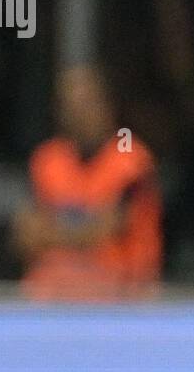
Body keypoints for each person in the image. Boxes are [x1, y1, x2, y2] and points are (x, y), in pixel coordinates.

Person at [12, 65, 162, 301]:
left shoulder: (130, 157)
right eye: (70, 106)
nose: (78, 114)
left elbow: (107, 228)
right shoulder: (47, 158)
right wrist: (85, 229)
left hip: (122, 298)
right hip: (52, 298)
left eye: (86, 104)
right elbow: (25, 235)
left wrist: (53, 232)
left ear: (106, 106)